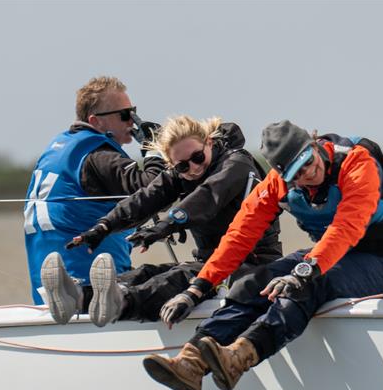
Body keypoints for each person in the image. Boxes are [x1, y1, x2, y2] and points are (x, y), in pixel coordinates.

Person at [143, 120, 383, 390]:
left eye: (309, 163)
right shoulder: (278, 183)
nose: (308, 175)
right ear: (283, 174)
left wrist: (303, 272)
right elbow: (240, 235)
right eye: (297, 175)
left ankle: (238, 358)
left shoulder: (356, 161)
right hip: (327, 257)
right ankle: (190, 363)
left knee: (305, 285)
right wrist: (198, 287)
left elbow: (347, 226)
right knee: (251, 285)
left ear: (313, 145)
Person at [41, 115, 283, 328]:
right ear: (172, 164)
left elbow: (208, 197)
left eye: (198, 157)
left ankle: (122, 303)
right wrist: (103, 226)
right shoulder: (181, 172)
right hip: (210, 263)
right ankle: (81, 297)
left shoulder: (237, 163)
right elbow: (146, 198)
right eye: (182, 166)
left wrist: (165, 225)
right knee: (147, 272)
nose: (194, 169)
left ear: (209, 142)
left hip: (254, 267)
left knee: (179, 276)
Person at [24, 76, 164, 307]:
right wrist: (155, 150)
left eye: (134, 112)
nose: (134, 121)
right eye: (125, 114)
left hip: (48, 296)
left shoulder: (56, 151)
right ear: (96, 121)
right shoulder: (99, 156)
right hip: (91, 294)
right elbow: (152, 191)